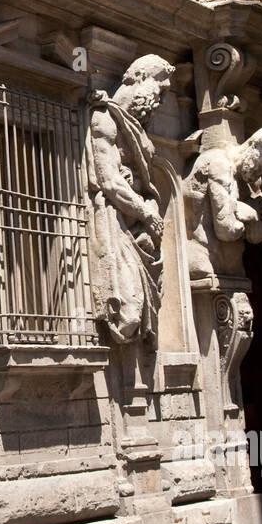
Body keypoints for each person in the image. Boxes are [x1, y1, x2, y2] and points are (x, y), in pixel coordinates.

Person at [87, 54, 175, 345]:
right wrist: (146, 212)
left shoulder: (135, 127)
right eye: (160, 90)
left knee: (137, 312)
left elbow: (145, 184)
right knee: (129, 316)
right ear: (139, 78)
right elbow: (110, 181)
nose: (161, 102)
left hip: (139, 227)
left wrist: (148, 204)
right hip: (120, 225)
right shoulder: (104, 120)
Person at [184, 125, 262, 280]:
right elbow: (226, 229)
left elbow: (256, 235)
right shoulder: (219, 164)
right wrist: (250, 214)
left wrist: (246, 215)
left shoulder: (251, 180)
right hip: (205, 259)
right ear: (255, 147)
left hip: (229, 267)